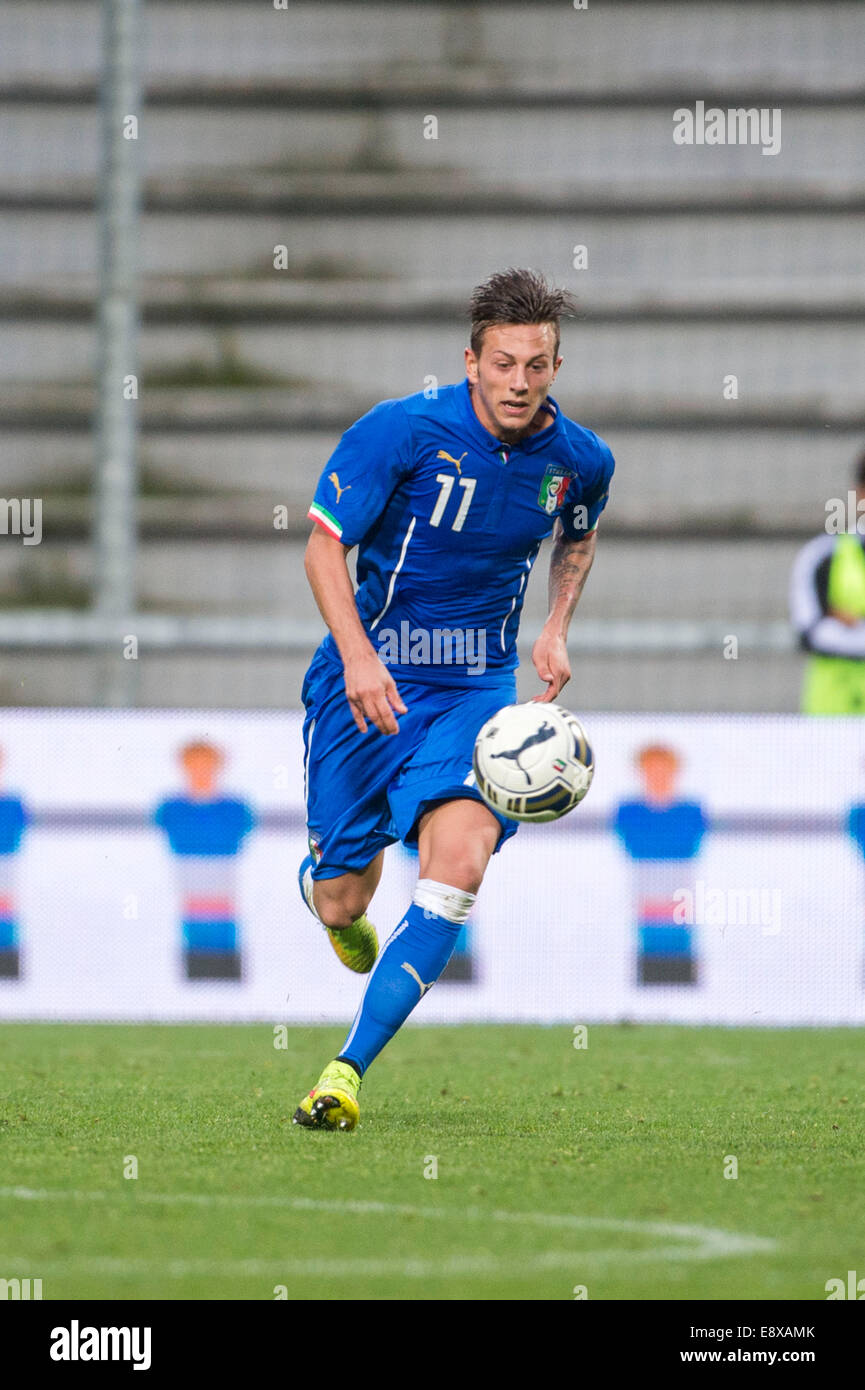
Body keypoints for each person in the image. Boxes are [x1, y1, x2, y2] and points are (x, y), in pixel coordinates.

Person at [293, 268, 615, 1130]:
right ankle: (326, 887)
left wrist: (554, 627)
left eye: (536, 365)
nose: (518, 382)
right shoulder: (397, 431)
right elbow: (324, 552)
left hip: (476, 688)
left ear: (555, 364)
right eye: (502, 363)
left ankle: (343, 1072)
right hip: (370, 680)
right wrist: (360, 660)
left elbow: (577, 537)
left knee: (460, 864)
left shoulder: (580, 458)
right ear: (469, 360)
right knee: (343, 899)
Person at [154, 741, 256, 981]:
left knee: (226, 974)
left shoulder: (235, 810)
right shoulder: (171, 810)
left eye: (206, 763)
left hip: (226, 909)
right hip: (188, 907)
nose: (200, 770)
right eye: (194, 763)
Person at [613, 745, 707, 986]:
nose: (657, 774)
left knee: (681, 958)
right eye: (651, 768)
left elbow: (690, 844)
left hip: (681, 898)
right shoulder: (628, 812)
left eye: (663, 768)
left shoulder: (691, 812)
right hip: (643, 898)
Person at [790, 452, 865, 713]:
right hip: (832, 726)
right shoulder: (822, 557)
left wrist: (851, 622)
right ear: (860, 494)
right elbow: (810, 633)